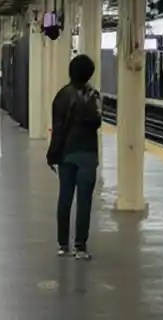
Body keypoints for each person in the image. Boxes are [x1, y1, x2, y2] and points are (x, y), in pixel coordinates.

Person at [46, 54, 102, 260]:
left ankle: (63, 245)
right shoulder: (93, 95)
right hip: (87, 153)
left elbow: (57, 129)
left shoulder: (61, 96)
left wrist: (52, 153)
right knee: (84, 200)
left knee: (65, 197)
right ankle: (80, 246)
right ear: (89, 74)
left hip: (66, 153)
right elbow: (97, 121)